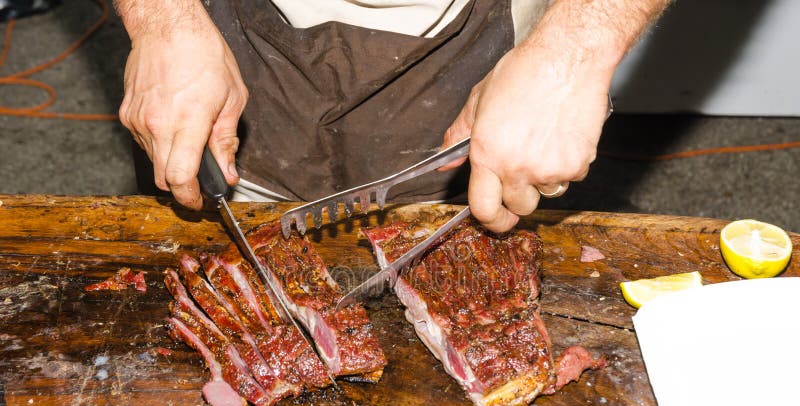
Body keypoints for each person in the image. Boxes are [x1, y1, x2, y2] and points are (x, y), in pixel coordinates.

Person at [115, 0, 670, 233]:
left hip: (477, 32)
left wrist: (572, 53)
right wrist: (163, 22)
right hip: (227, 26)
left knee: (462, 258)